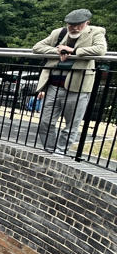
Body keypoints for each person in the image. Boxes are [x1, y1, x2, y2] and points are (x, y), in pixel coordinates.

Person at [33, 8, 108, 155]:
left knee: (71, 125)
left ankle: (61, 152)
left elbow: (100, 50)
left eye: (78, 24)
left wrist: (73, 51)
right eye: (70, 24)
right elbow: (37, 47)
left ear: (87, 23)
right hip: (53, 86)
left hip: (78, 87)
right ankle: (49, 150)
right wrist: (58, 51)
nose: (73, 28)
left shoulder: (96, 32)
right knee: (45, 122)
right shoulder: (58, 33)